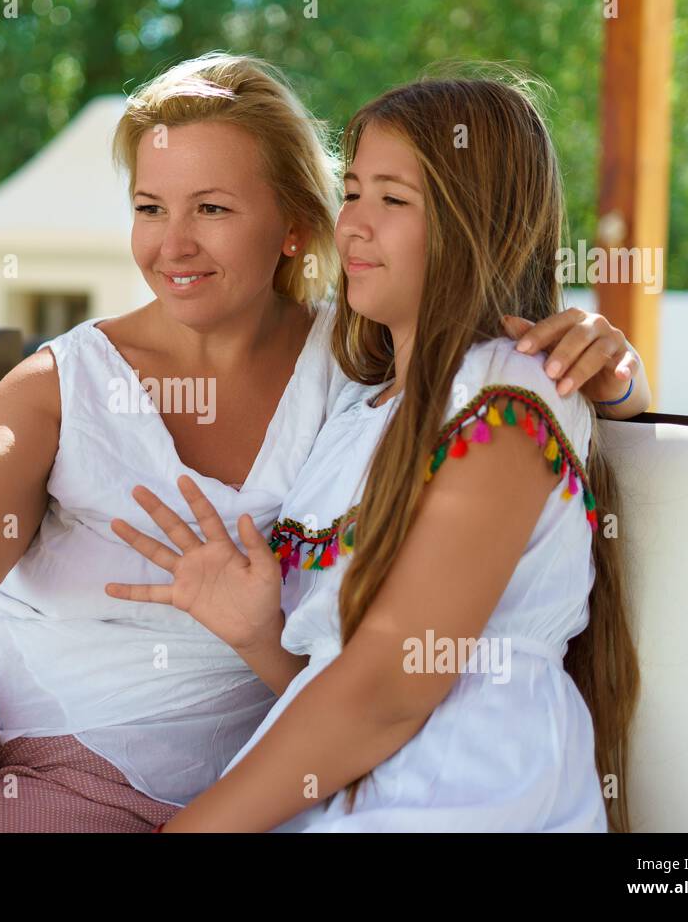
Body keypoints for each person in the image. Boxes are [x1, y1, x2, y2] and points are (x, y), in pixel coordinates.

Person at [0, 55, 646, 832]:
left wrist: (619, 378)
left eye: (211, 209)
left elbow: (499, 390)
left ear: (293, 225)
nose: (173, 245)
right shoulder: (65, 377)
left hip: (150, 749)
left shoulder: (360, 369)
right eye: (149, 207)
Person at [108, 70, 640, 832]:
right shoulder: (359, 412)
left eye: (393, 199)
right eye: (353, 191)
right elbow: (342, 686)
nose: (353, 222)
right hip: (362, 790)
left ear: (478, 223)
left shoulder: (508, 383)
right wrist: (261, 632)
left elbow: (392, 687)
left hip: (464, 790)